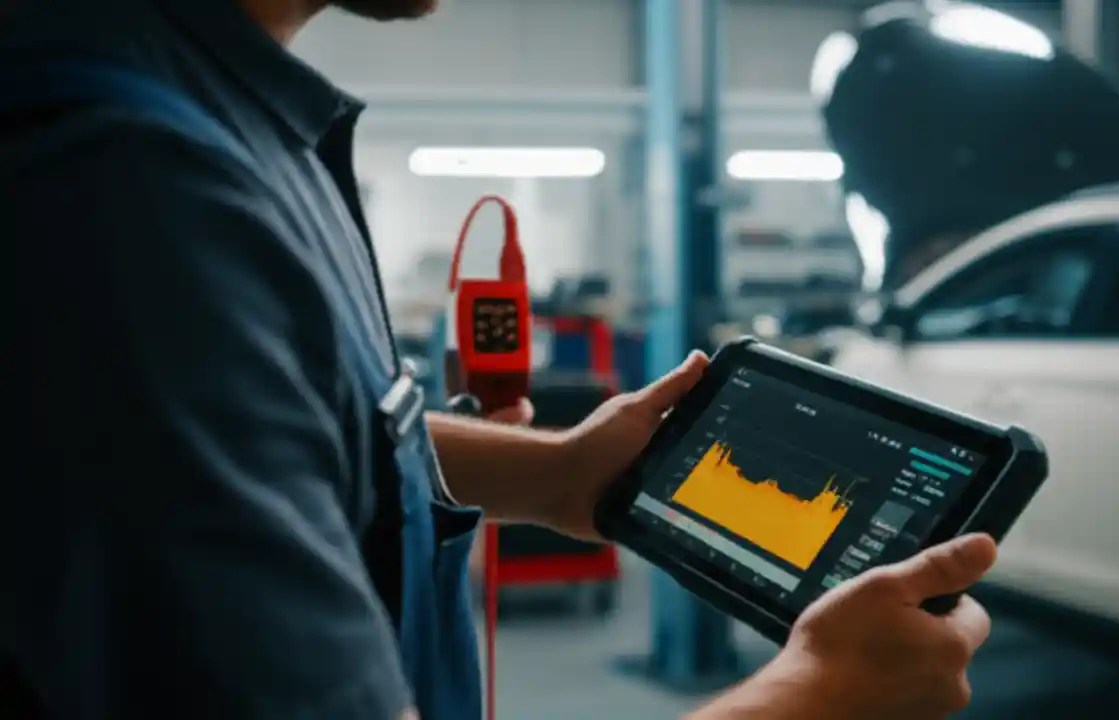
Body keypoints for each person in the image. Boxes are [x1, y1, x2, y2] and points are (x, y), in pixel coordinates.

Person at [1, 0, 999, 718]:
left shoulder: (219, 121)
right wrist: (814, 697)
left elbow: (293, 421)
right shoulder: (130, 190)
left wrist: (556, 474)